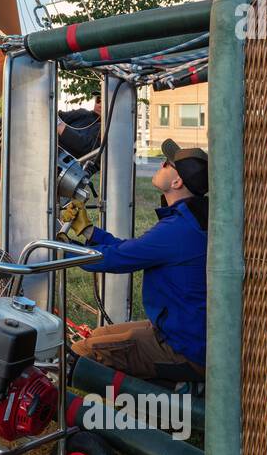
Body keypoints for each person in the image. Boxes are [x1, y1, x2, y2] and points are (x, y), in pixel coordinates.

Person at [57, 139, 208, 384]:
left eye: (167, 164)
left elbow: (117, 259)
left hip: (184, 348)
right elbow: (133, 249)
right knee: (99, 334)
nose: (161, 164)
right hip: (179, 331)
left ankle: (87, 416)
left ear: (177, 182)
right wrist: (89, 232)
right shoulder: (187, 219)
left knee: (82, 353)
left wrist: (62, 250)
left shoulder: (179, 229)